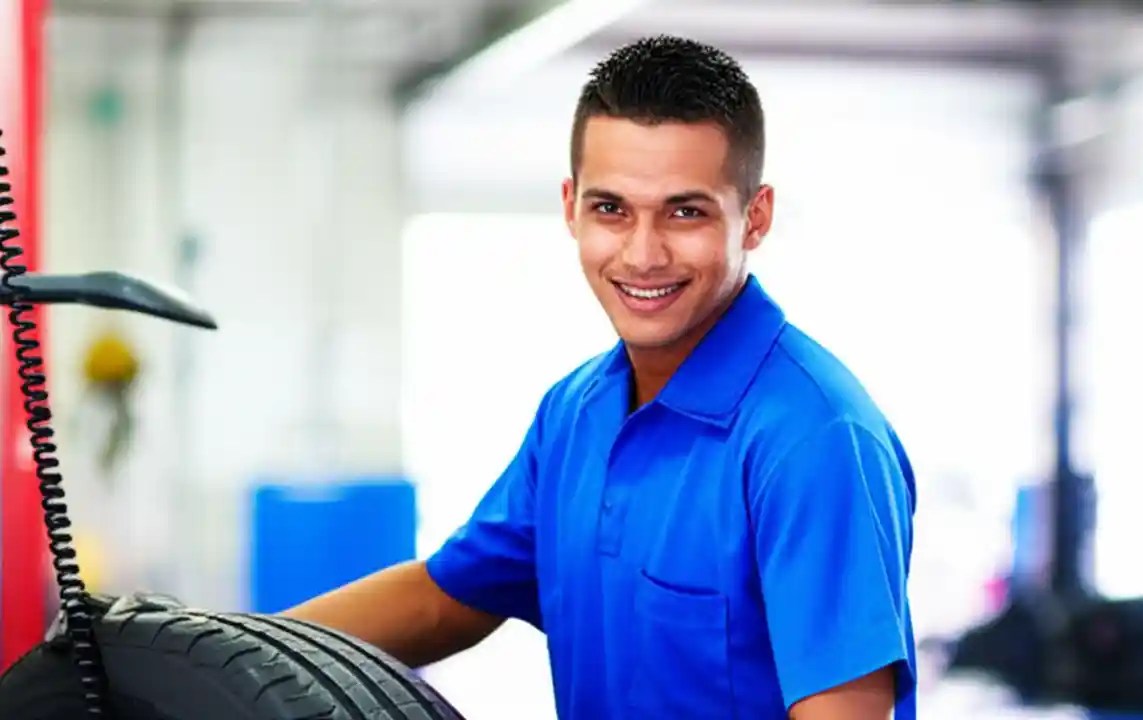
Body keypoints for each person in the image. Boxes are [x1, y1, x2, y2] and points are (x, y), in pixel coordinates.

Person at [285, 35, 918, 720]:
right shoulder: (576, 413)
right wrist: (225, 649)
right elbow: (447, 599)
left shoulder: (813, 439)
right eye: (611, 209)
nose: (643, 255)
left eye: (686, 212)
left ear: (755, 218)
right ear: (571, 206)